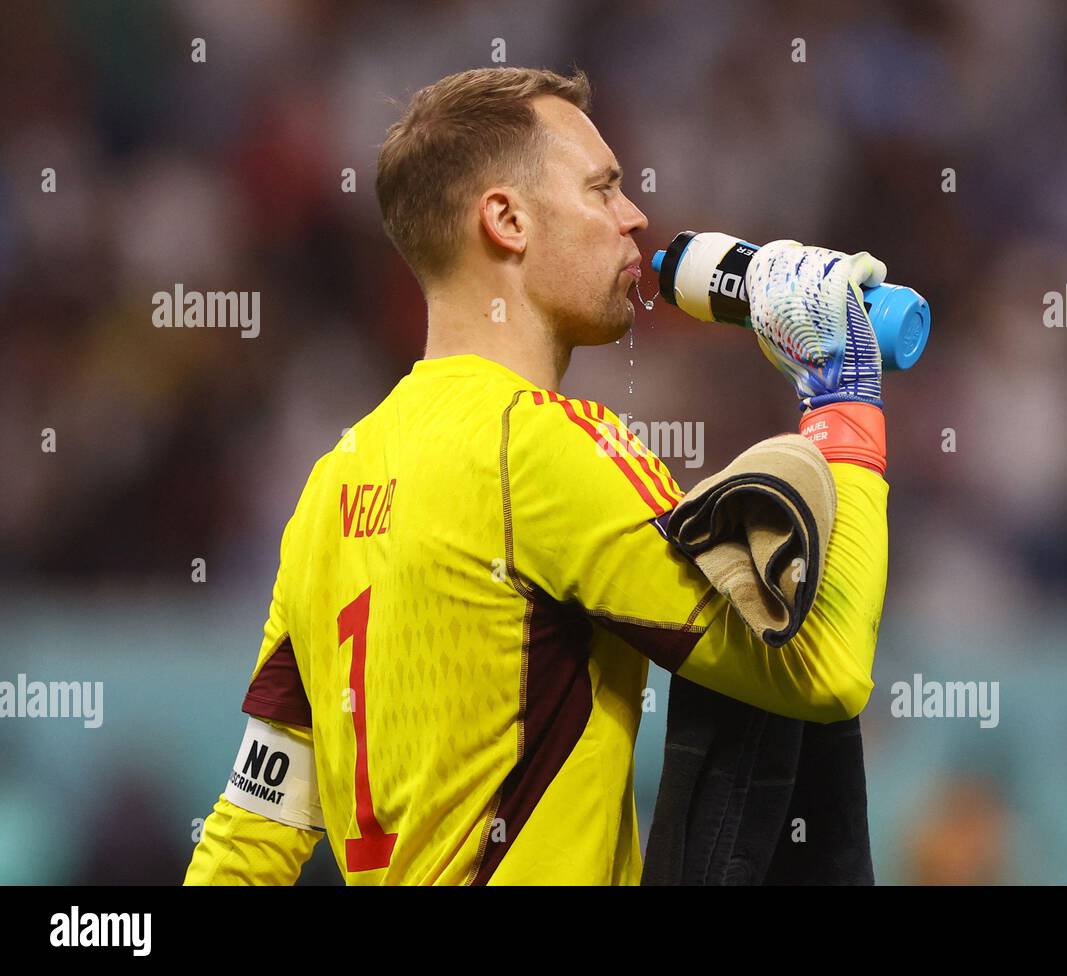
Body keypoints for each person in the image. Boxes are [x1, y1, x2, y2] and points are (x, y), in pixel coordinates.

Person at [184, 65, 889, 886]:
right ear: (507, 219)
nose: (635, 217)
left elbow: (254, 825)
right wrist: (845, 400)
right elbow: (823, 673)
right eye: (602, 189)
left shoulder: (330, 486)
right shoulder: (548, 449)